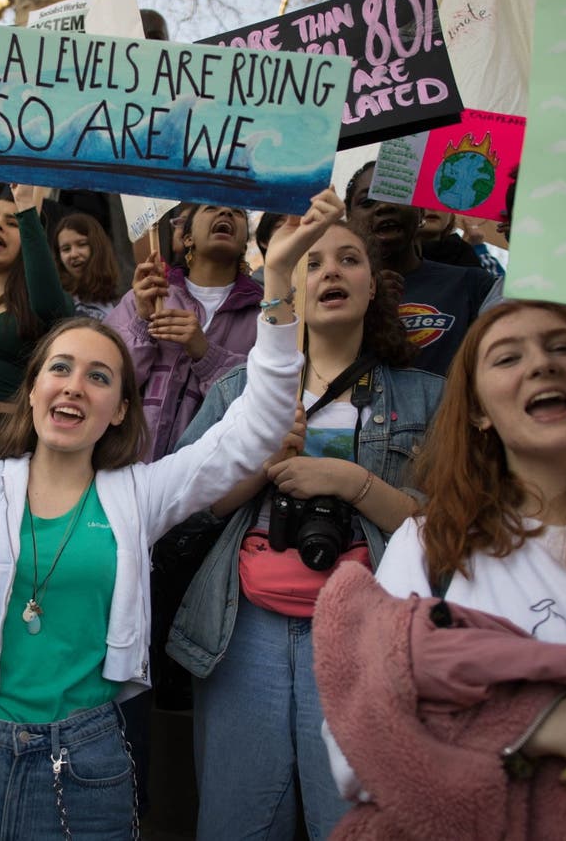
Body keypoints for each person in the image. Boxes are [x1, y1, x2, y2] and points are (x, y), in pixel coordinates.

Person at [0, 145, 341, 840]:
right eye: (61, 368)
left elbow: (256, 428)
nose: (76, 384)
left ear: (118, 411)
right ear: (35, 387)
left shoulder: (143, 495)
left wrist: (281, 277)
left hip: (89, 765)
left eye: (100, 377)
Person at [317, 300, 566, 838]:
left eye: (564, 348)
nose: (542, 364)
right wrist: (540, 731)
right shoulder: (431, 552)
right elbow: (353, 751)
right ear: (477, 410)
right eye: (507, 358)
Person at [167, 221, 444, 841]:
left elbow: (454, 530)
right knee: (239, 825)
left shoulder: (431, 399)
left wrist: (353, 483)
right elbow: (181, 504)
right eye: (312, 263)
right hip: (244, 635)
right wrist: (255, 464)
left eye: (349, 259)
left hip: (368, 637)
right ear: (291, 287)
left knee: (351, 826)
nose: (330, 272)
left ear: (375, 287)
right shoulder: (239, 391)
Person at [106, 202, 263, 460]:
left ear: (245, 241)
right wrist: (141, 323)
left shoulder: (261, 316)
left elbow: (260, 402)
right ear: (187, 237)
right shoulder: (147, 296)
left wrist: (207, 355)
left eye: (236, 212)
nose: (226, 213)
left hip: (209, 481)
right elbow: (107, 380)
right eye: (211, 208)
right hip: (127, 469)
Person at [344, 162, 496, 375]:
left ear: (421, 210)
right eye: (367, 201)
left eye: (398, 195)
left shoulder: (473, 285)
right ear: (348, 218)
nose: (384, 207)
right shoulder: (331, 295)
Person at [0, 183, 74, 407]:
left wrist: (27, 212)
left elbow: (53, 309)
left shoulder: (42, 299)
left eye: (12, 223)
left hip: (4, 435)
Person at [53, 211, 121, 320]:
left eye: (82, 244)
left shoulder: (122, 304)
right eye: (66, 249)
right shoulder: (54, 301)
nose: (73, 254)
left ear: (98, 247)